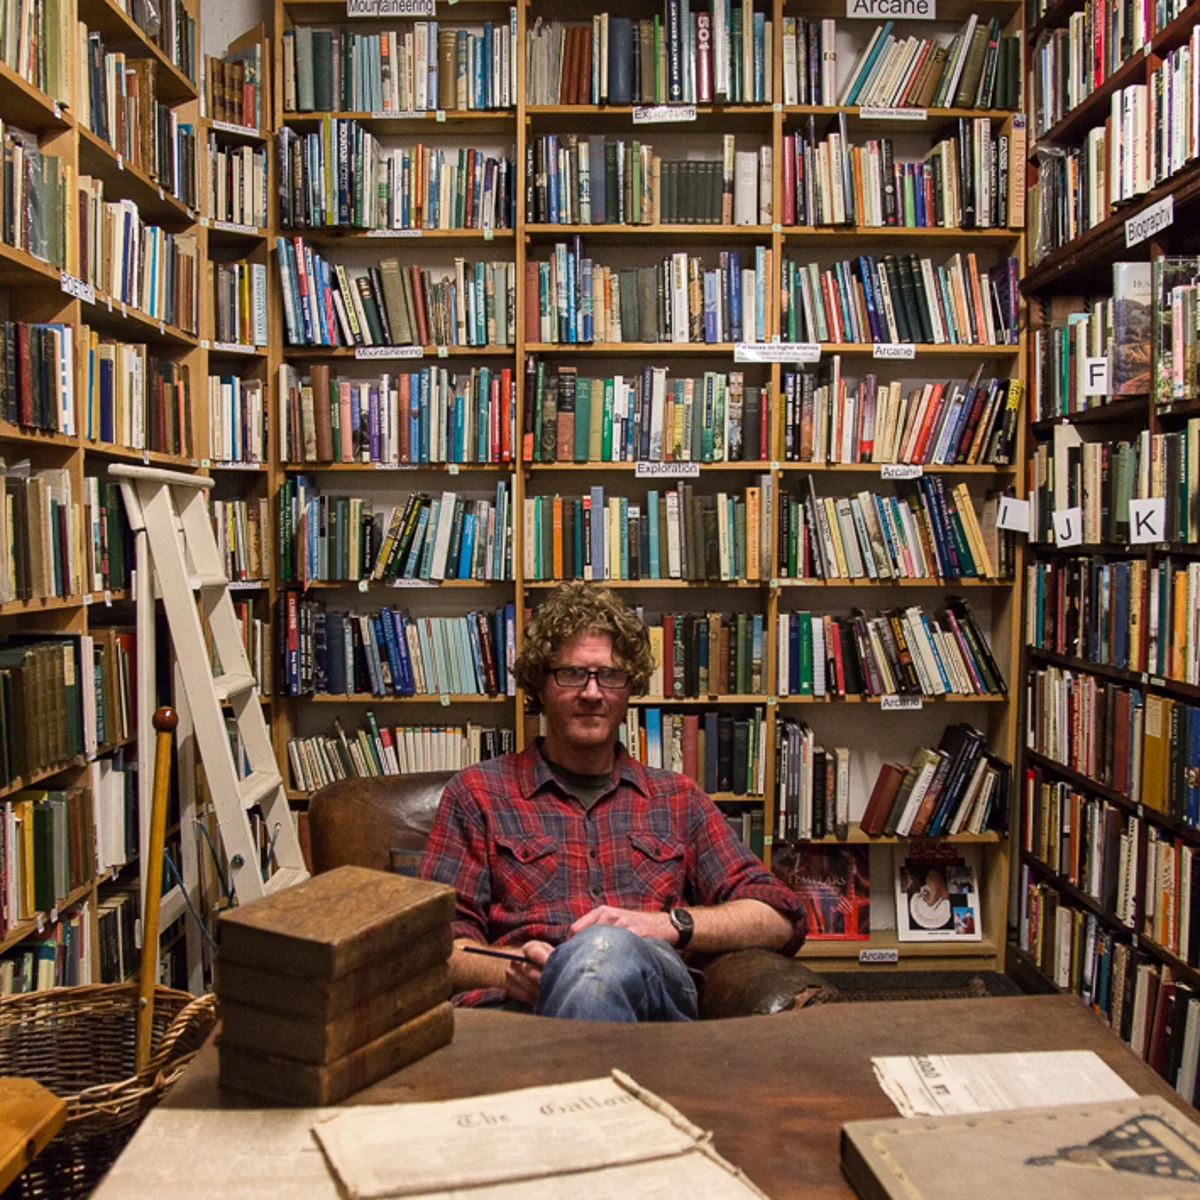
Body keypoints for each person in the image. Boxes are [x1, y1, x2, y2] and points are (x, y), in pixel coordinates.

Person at [418, 581, 806, 1021]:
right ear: (539, 685)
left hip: (652, 1002)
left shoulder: (677, 799)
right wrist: (508, 970)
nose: (591, 692)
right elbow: (437, 948)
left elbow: (779, 916)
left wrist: (667, 926)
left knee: (606, 947)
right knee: (590, 957)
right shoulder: (477, 795)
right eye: (571, 674)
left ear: (629, 688)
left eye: (610, 675)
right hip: (521, 1011)